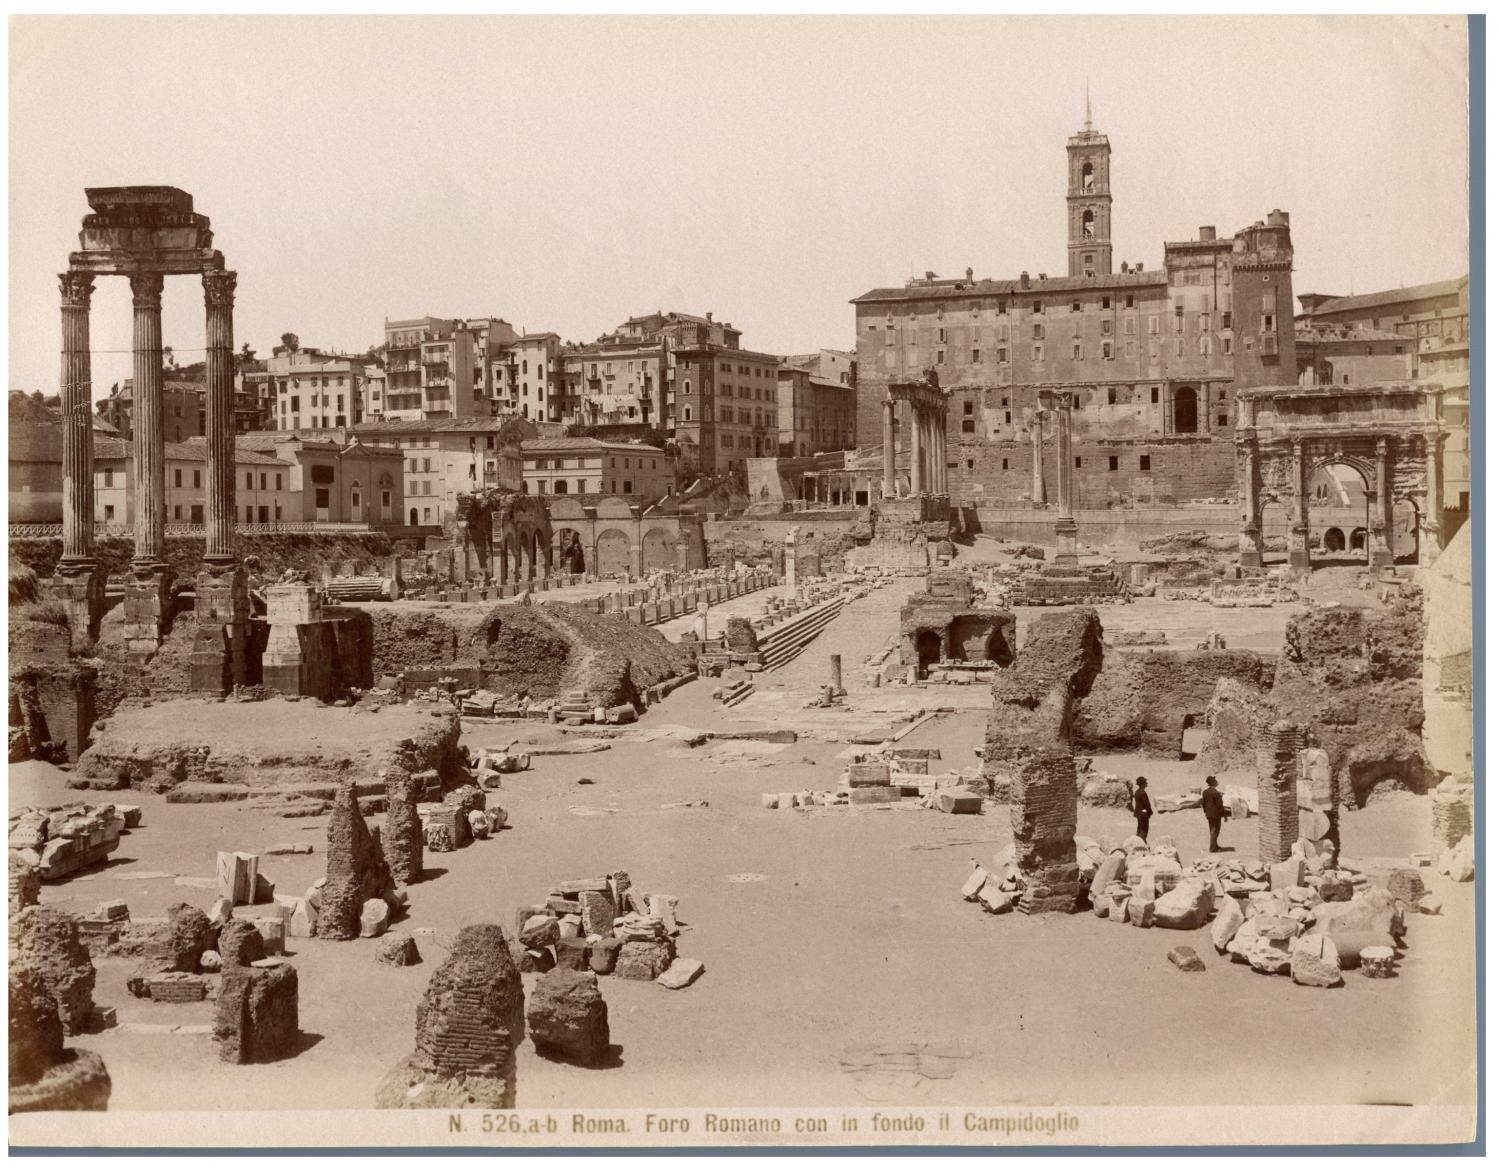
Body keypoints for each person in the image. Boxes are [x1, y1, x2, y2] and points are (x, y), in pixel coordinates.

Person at [1202, 775, 1226, 852]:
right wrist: (1225, 815)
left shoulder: (1205, 792)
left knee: (1212, 830)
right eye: (1215, 781)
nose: (1217, 782)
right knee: (1215, 831)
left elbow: (1204, 803)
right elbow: (1219, 805)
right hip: (1216, 815)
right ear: (1213, 783)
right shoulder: (1216, 793)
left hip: (1209, 814)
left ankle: (1215, 845)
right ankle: (1212, 848)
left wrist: (1205, 812)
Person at [1131, 777, 1152, 841]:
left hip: (1138, 814)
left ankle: (1137, 843)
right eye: (1145, 782)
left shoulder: (1137, 792)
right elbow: (1147, 805)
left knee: (1139, 830)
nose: (1147, 783)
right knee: (1144, 832)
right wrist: (1150, 812)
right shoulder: (1143, 793)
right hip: (1143, 815)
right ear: (1142, 784)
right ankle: (1141, 845)